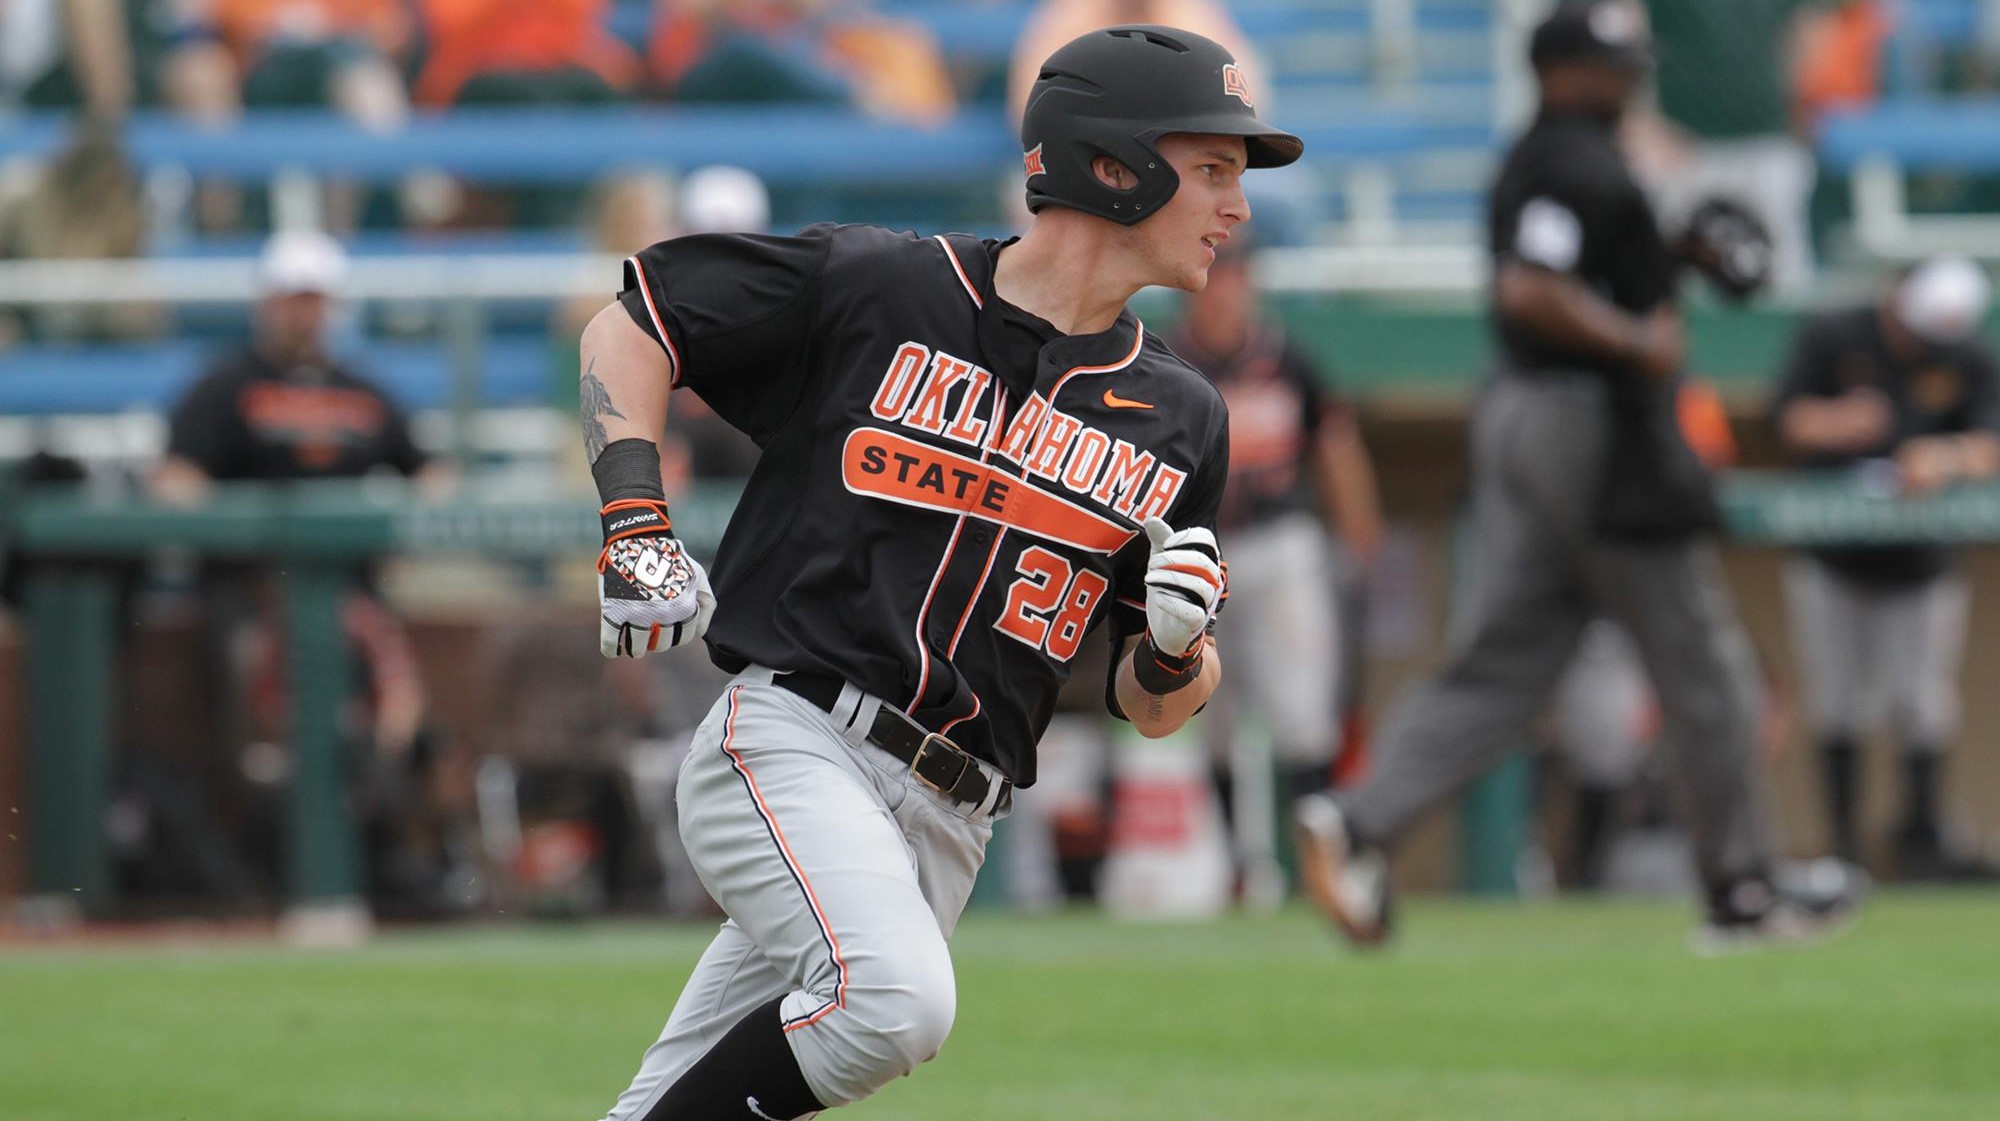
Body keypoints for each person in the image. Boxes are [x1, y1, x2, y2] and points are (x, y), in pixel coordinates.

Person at [574, 24, 1296, 1119]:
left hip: (954, 818)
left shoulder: (1182, 415)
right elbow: (633, 327)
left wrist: (1173, 645)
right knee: (894, 1004)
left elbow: (1154, 709)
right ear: (1112, 164)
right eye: (1209, 171)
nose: (1235, 207)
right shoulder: (881, 284)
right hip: (793, 737)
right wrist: (634, 519)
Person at [1289, 0, 1862, 953]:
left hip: (1532, 417)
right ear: (1558, 67)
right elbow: (1533, 285)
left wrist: (1667, 256)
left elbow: (1575, 264)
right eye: (1612, 60)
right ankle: (1744, 887)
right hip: (1591, 426)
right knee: (1704, 661)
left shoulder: (1583, 159)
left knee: (1503, 665)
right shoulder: (1565, 157)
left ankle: (1357, 821)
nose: (1633, 71)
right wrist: (1639, 335)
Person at [151, 230, 457, 910]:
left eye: (315, 299)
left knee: (392, 698)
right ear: (268, 303)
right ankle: (276, 852)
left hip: (351, 592)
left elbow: (433, 474)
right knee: (267, 709)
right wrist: (246, 530)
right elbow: (175, 479)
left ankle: (382, 838)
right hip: (255, 593)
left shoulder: (363, 389)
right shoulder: (227, 384)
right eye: (293, 298)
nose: (304, 313)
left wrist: (403, 523)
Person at [1770, 254, 2000, 881]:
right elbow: (1786, 419)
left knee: (1922, 702)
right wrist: (1843, 425)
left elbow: (1989, 441)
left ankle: (1920, 844)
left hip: (1923, 562)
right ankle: (1843, 847)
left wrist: (1945, 456)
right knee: (1836, 701)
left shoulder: (1964, 352)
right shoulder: (1834, 336)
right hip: (1832, 556)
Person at [1164, 236, 1383, 883]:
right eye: (1219, 276)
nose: (1229, 289)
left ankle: (1323, 858)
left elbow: (1335, 444)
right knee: (1211, 711)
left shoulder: (1289, 358)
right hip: (1197, 547)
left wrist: (1359, 530)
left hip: (1280, 542)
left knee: (1302, 707)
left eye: (1239, 276)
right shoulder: (1168, 360)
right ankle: (1240, 862)